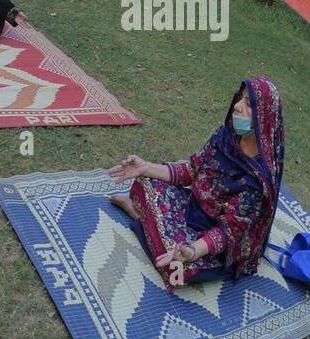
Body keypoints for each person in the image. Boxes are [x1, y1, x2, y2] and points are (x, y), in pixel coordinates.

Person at [107, 78, 285, 291]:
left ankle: (141, 218)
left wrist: (190, 251)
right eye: (240, 98)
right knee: (146, 182)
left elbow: (227, 233)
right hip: (191, 206)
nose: (237, 105)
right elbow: (191, 170)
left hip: (211, 240)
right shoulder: (223, 138)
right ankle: (148, 223)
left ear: (263, 118)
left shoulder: (256, 182)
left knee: (178, 266)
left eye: (248, 104)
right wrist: (145, 167)